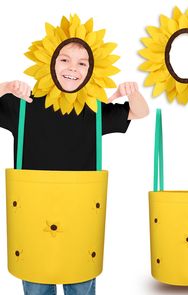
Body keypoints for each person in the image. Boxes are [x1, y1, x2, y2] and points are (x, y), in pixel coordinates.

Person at [0, 38, 149, 295]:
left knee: (81, 285)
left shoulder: (93, 110)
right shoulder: (24, 104)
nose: (73, 68)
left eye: (82, 63)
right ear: (50, 63)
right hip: (33, 220)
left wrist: (133, 93)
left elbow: (139, 112)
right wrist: (5, 87)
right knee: (36, 286)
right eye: (64, 59)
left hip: (80, 221)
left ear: (91, 71)